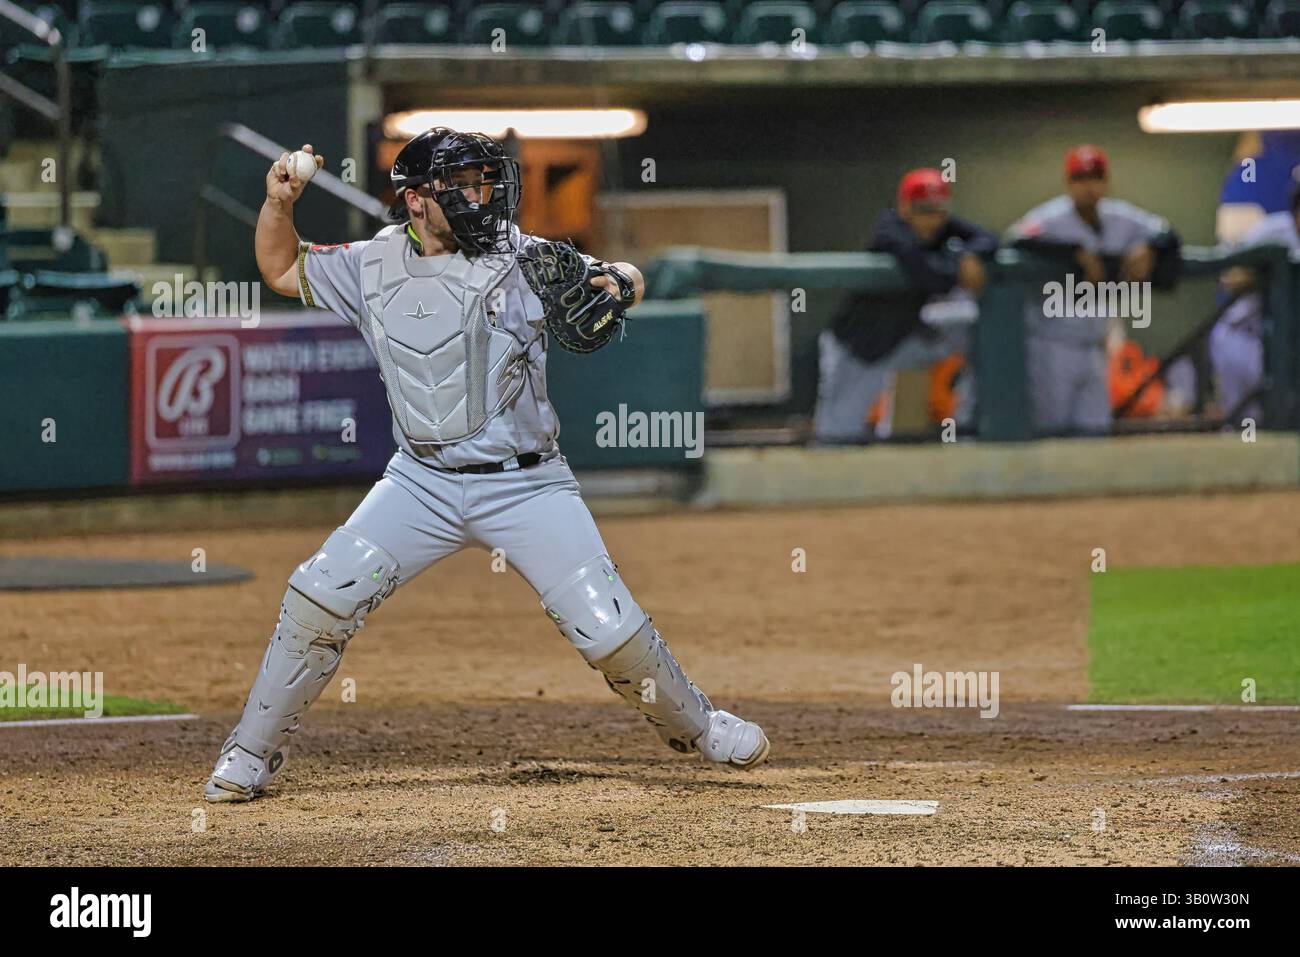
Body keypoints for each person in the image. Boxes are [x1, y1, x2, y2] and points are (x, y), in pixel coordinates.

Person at [204, 129, 769, 802]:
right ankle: (250, 751)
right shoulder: (371, 262)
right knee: (318, 596)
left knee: (609, 629)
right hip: (420, 481)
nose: (481, 194)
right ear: (415, 200)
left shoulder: (522, 256)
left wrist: (620, 282)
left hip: (527, 483)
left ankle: (700, 726)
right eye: (461, 183)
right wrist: (278, 204)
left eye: (482, 180)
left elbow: (629, 275)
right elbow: (282, 267)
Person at [813, 168, 997, 444]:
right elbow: (930, 277)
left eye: (938, 210)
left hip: (905, 336)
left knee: (979, 329)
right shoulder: (890, 231)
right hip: (860, 347)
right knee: (837, 437)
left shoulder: (941, 224)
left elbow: (989, 238)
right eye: (922, 210)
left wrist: (970, 254)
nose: (931, 220)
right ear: (904, 207)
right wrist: (960, 263)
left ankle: (968, 425)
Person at [1005, 145, 1176, 437]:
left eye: (1096, 178)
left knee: (1096, 433)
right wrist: (1073, 254)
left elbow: (1167, 233)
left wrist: (1149, 247)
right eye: (1081, 179)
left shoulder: (1119, 217)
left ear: (1106, 182)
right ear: (1069, 183)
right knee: (1051, 431)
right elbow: (1013, 242)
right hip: (1051, 343)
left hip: (1096, 344)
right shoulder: (1051, 218)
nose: (1089, 187)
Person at [1211, 185, 1300, 424]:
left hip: (1285, 348)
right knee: (1245, 429)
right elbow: (1229, 276)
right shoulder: (1271, 232)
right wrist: (1259, 275)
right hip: (1243, 338)